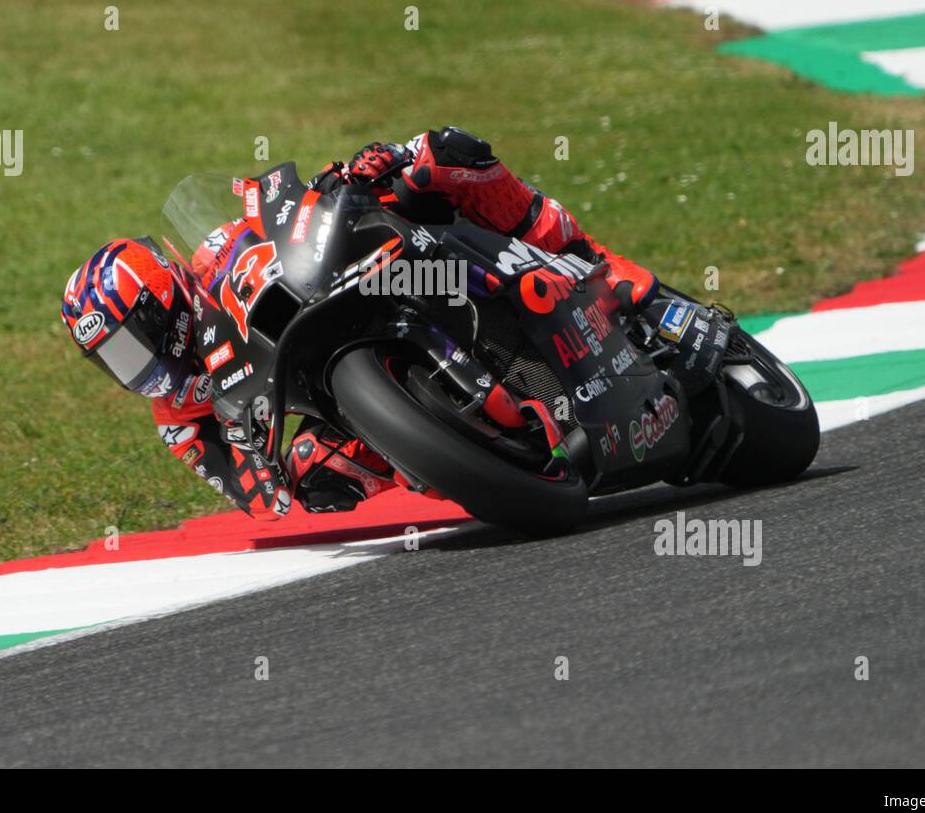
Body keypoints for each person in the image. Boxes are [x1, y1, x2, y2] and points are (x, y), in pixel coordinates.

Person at [60, 127, 657, 521]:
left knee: (436, 159)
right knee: (319, 476)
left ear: (165, 305)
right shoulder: (177, 417)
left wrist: (339, 181)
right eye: (117, 361)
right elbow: (258, 497)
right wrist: (273, 459)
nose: (138, 369)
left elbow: (270, 209)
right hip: (330, 395)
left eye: (136, 346)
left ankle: (588, 260)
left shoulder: (214, 254)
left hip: (348, 285)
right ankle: (466, 453)